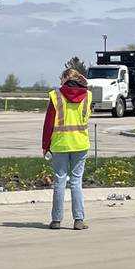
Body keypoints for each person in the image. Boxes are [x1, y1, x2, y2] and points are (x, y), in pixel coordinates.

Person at [41, 68, 91, 230]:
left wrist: (45, 145)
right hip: (80, 143)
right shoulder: (87, 96)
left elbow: (48, 124)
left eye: (60, 78)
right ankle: (78, 220)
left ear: (65, 78)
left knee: (59, 182)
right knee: (76, 182)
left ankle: (56, 220)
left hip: (60, 144)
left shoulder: (55, 96)